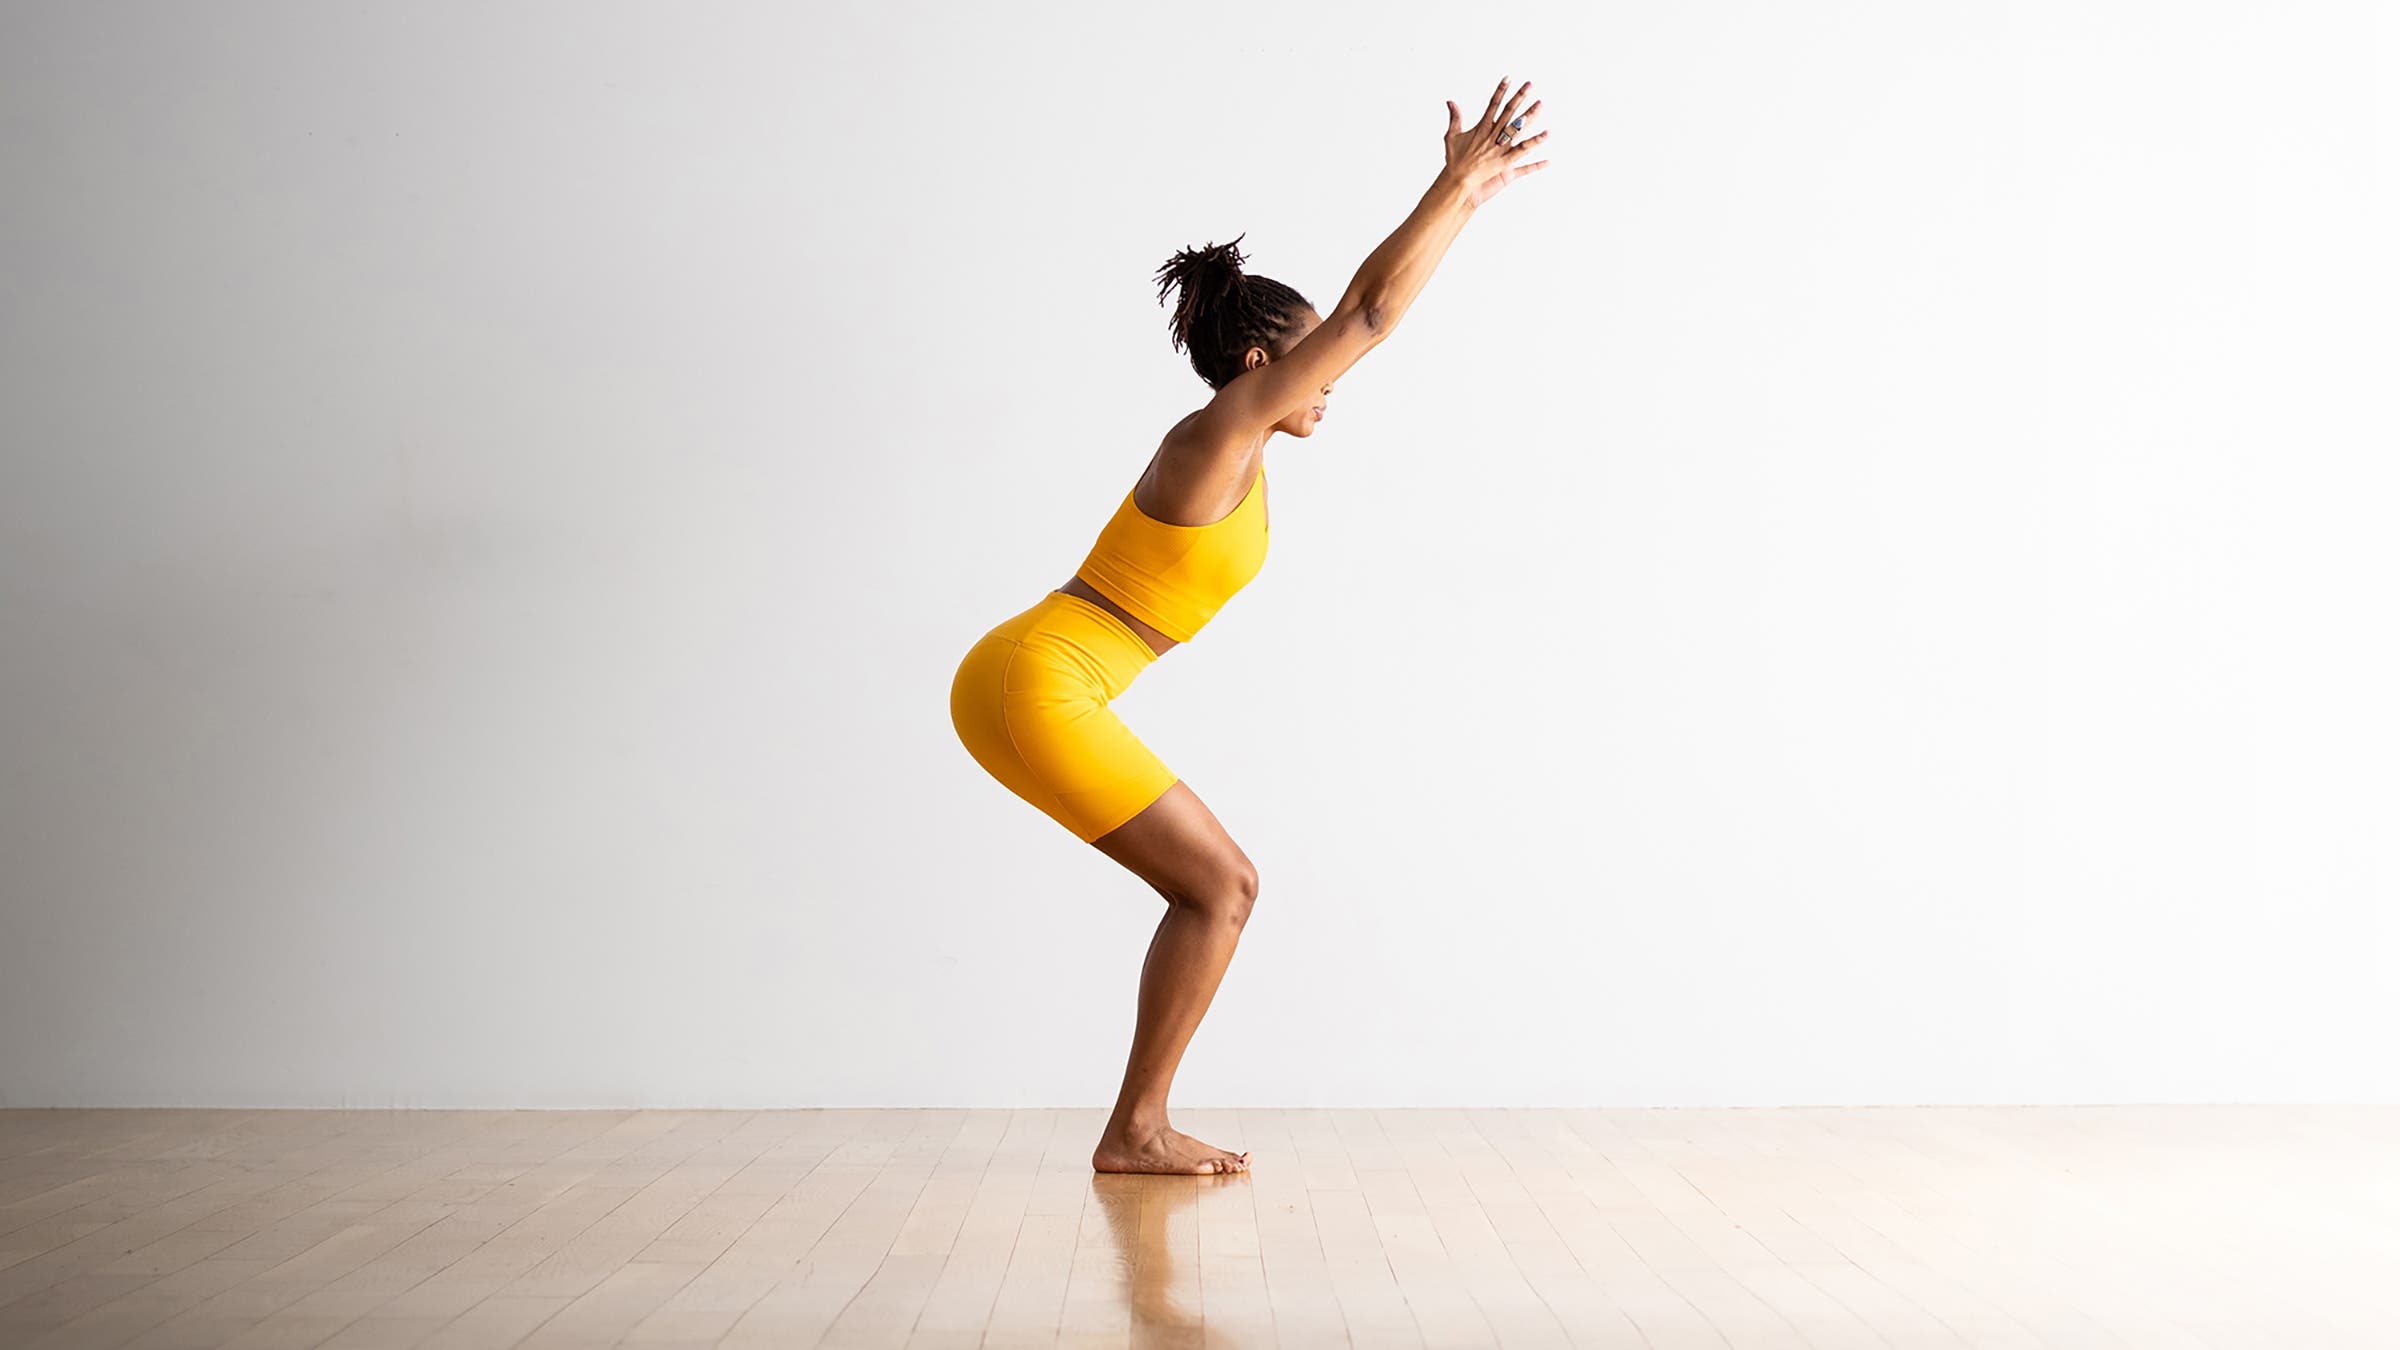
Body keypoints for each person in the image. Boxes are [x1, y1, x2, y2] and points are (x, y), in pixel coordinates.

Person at [949, 78, 1550, 1175]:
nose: (1338, 379)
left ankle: (1137, 1127)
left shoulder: (1242, 450)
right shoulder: (1221, 429)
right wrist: (1453, 185)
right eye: (1311, 359)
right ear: (1263, 367)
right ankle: (1135, 1132)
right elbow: (1373, 311)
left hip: (1037, 675)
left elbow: (1365, 313)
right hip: (1036, 678)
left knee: (1216, 887)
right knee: (1222, 887)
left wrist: (1467, 200)